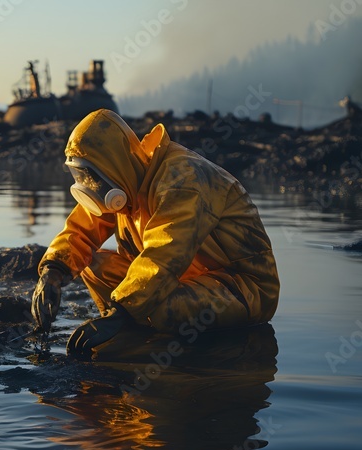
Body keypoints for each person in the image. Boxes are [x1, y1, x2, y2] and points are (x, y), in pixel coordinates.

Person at [31, 109, 280, 358]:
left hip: (241, 288)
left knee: (157, 305)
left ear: (114, 163)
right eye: (80, 175)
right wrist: (53, 271)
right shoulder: (125, 178)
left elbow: (165, 254)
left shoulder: (183, 179)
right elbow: (80, 230)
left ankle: (154, 345)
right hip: (179, 278)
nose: (89, 186)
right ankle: (129, 325)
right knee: (92, 265)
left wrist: (123, 310)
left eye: (90, 176)